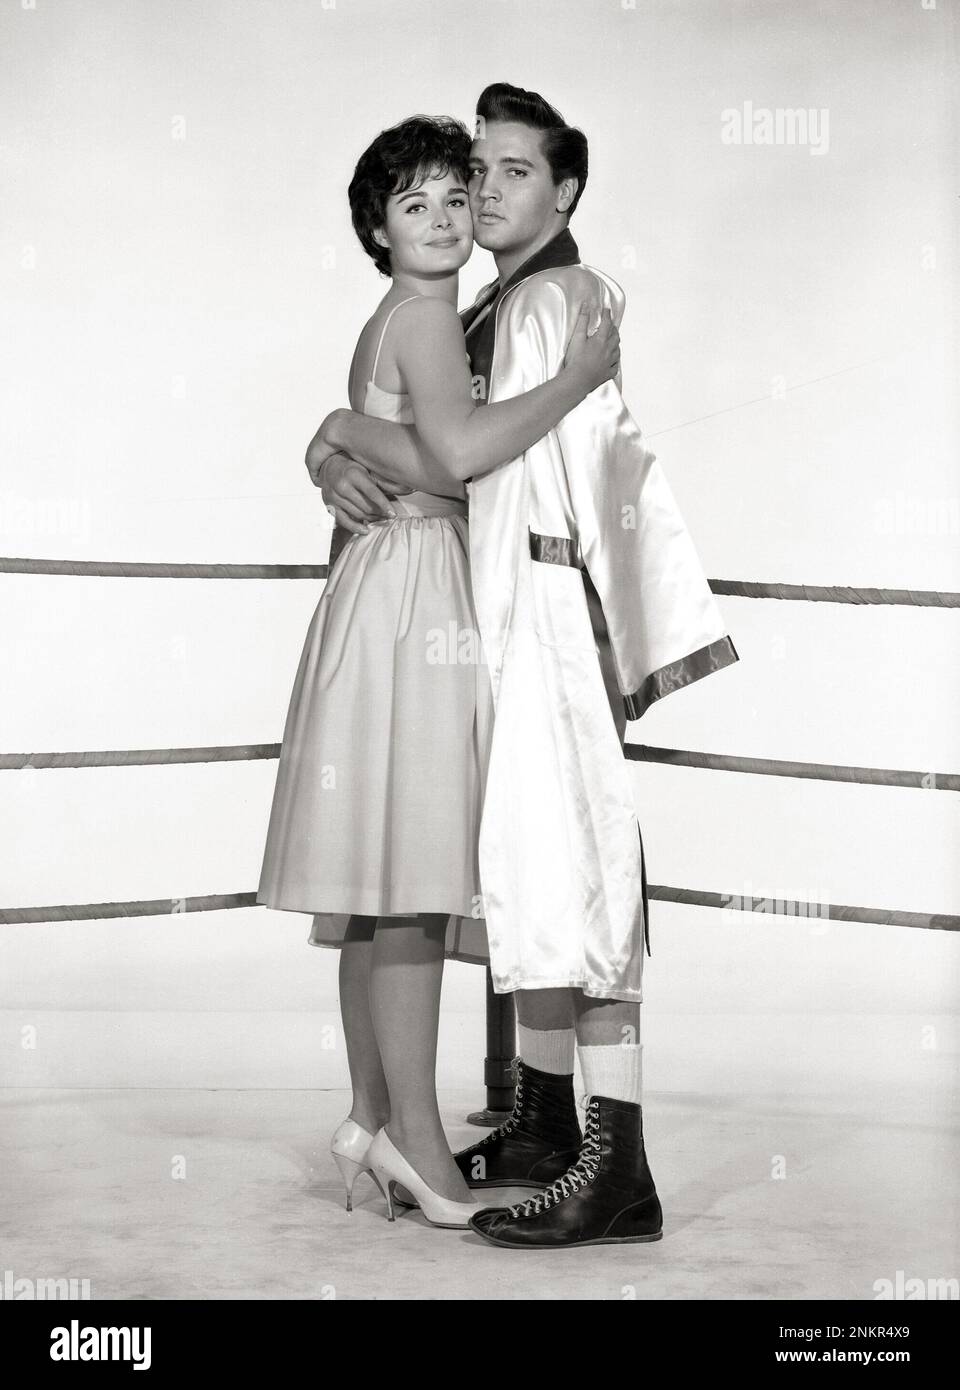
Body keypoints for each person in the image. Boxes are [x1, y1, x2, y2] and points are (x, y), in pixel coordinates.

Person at [313, 84, 740, 1248]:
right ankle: (549, 1125)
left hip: (539, 618)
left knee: (581, 882)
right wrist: (335, 439)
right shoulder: (500, 303)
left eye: (505, 174)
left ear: (564, 191)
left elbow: (472, 460)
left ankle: (618, 1164)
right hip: (496, 612)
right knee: (533, 878)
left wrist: (346, 432)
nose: (481, 195)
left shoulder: (556, 301)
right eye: (470, 175)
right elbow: (450, 441)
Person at [256, 112, 620, 1230]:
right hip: (414, 598)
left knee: (379, 895)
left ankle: (372, 1112)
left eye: (456, 199)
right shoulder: (423, 318)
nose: (447, 218)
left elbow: (423, 450)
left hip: (386, 590)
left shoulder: (414, 315)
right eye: (417, 205)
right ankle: (416, 1141)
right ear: (377, 226)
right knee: (411, 888)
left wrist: (337, 433)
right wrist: (577, 379)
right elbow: (461, 455)